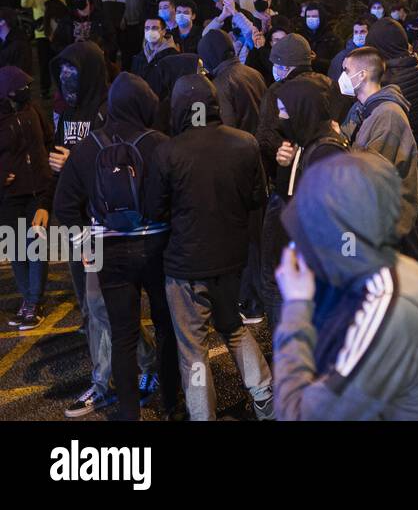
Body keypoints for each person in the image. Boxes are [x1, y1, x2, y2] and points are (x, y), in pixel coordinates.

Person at [274, 151, 418, 419]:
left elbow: (297, 413)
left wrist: (296, 306)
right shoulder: (397, 268)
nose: (301, 248)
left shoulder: (385, 306)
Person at [53, 72, 177, 421]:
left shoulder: (88, 147)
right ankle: (171, 403)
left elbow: (64, 205)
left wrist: (84, 243)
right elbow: (179, 198)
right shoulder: (160, 143)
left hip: (109, 252)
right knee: (165, 328)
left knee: (122, 335)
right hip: (157, 248)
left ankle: (127, 413)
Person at [153, 74, 274, 420]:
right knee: (233, 326)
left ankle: (202, 414)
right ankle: (264, 392)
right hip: (231, 260)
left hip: (186, 265)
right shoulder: (244, 143)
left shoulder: (169, 152)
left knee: (193, 349)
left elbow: (153, 208)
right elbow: (256, 199)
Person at [254, 38, 337, 329]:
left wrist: (282, 152)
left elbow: (265, 135)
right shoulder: (328, 85)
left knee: (275, 269)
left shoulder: (281, 92)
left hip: (286, 190)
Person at [340, 47, 418, 257]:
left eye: (346, 70)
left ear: (363, 74)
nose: (343, 77)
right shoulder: (362, 108)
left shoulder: (387, 115)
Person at [0, 67, 52, 329]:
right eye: (21, 86)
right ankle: (27, 299)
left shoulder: (33, 111)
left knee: (35, 247)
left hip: (36, 192)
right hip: (10, 196)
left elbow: (48, 142)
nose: (26, 91)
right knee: (16, 249)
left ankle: (34, 301)